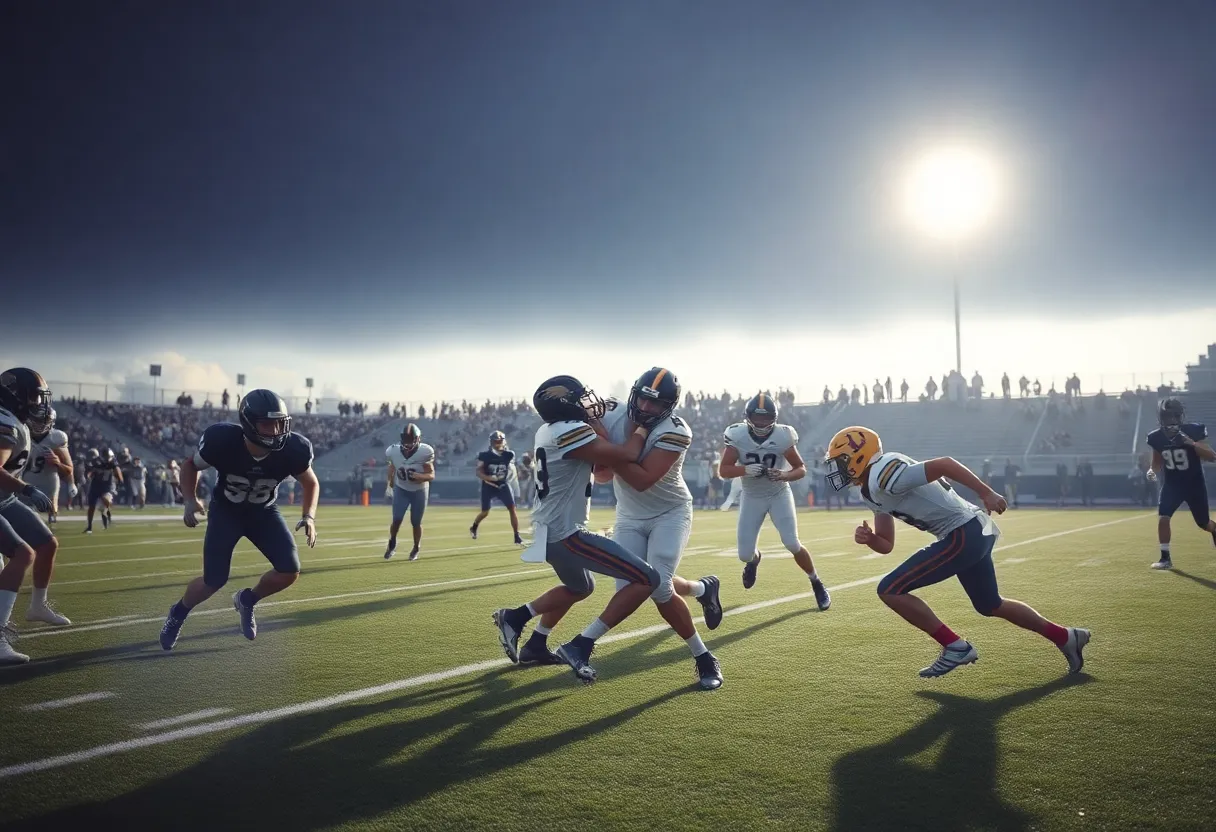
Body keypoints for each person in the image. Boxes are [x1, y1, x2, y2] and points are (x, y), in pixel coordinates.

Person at [826, 425, 1089, 678]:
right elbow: (886, 544)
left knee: (889, 588)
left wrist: (986, 492)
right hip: (972, 531)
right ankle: (1065, 636)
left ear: (859, 456)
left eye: (840, 461)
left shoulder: (885, 472)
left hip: (963, 532)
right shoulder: (870, 489)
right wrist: (870, 539)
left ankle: (954, 646)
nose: (837, 470)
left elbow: (944, 464)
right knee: (990, 604)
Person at [492, 375, 661, 683]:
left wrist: (599, 433)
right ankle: (581, 644)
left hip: (548, 528)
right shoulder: (572, 430)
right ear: (566, 405)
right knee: (648, 578)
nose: (589, 403)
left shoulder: (549, 429)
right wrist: (644, 425)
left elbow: (600, 470)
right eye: (580, 398)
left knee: (581, 588)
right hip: (566, 533)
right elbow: (627, 454)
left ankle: (526, 631)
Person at [158, 390, 319, 650]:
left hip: (263, 512)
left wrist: (308, 516)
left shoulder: (293, 448)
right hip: (226, 512)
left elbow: (310, 482)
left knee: (289, 570)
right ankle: (178, 613)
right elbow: (190, 466)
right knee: (214, 580)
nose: (276, 430)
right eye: (268, 424)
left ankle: (247, 599)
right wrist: (189, 499)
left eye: (279, 423)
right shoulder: (222, 440)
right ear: (249, 424)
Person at [596, 367, 724, 690]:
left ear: (669, 407)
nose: (645, 408)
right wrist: (599, 437)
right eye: (642, 399)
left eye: (655, 404)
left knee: (659, 586)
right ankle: (701, 590)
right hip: (628, 516)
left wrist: (608, 447)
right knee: (630, 589)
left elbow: (641, 480)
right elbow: (601, 475)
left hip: (669, 512)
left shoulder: (676, 430)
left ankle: (703, 657)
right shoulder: (610, 413)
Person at [719, 392, 830, 610]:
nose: (761, 422)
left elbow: (800, 469)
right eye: (757, 417)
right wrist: (744, 469)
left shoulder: (783, 436)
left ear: (774, 418)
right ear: (747, 417)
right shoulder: (737, 435)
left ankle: (816, 582)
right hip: (752, 496)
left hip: (778, 493)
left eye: (766, 418)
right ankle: (754, 560)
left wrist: (784, 475)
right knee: (744, 554)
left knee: (791, 542)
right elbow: (723, 470)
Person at [0, 368, 72, 665]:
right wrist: (28, 488)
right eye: (34, 397)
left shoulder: (15, 422)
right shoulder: (5, 423)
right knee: (23, 554)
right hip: (5, 497)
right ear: (16, 396)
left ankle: (37, 607)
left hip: (5, 500)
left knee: (47, 544)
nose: (40, 404)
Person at [1146, 397, 1216, 569]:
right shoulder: (1156, 437)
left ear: (1179, 416)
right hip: (1172, 484)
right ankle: (1165, 559)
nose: (1169, 420)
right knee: (1163, 517)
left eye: (1172, 416)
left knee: (1203, 523)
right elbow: (1156, 462)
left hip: (1194, 484)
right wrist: (1151, 471)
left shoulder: (1193, 430)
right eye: (1166, 417)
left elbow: (1212, 456)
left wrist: (1191, 443)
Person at [383, 423, 435, 561]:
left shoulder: (425, 452)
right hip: (401, 488)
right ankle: (392, 541)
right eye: (405, 439)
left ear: (418, 439)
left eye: (410, 439)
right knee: (397, 519)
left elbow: (431, 474)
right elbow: (392, 467)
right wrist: (389, 484)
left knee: (416, 522)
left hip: (419, 490)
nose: (408, 443)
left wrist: (421, 477)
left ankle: (416, 547)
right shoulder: (393, 451)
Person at [470, 431, 523, 545]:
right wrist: (489, 477)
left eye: (499, 441)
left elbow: (512, 468)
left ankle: (516, 535)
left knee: (512, 509)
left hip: (503, 484)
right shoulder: (484, 455)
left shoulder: (509, 454)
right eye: (496, 441)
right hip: (488, 485)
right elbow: (478, 472)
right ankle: (474, 526)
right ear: (491, 442)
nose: (498, 444)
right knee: (485, 512)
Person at [21, 408, 73, 524]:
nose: (40, 424)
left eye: (44, 421)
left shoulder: (56, 438)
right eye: (37, 420)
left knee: (49, 521)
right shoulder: (22, 433)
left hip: (48, 483)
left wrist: (58, 463)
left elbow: (69, 469)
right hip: (25, 483)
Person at [84, 448, 122, 533]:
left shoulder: (113, 462)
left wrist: (119, 482)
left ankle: (108, 517)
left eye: (109, 457)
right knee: (91, 507)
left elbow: (118, 472)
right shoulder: (96, 461)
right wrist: (88, 476)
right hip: (95, 486)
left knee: (105, 502)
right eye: (106, 457)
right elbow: (90, 472)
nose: (108, 458)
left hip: (106, 487)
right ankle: (89, 527)